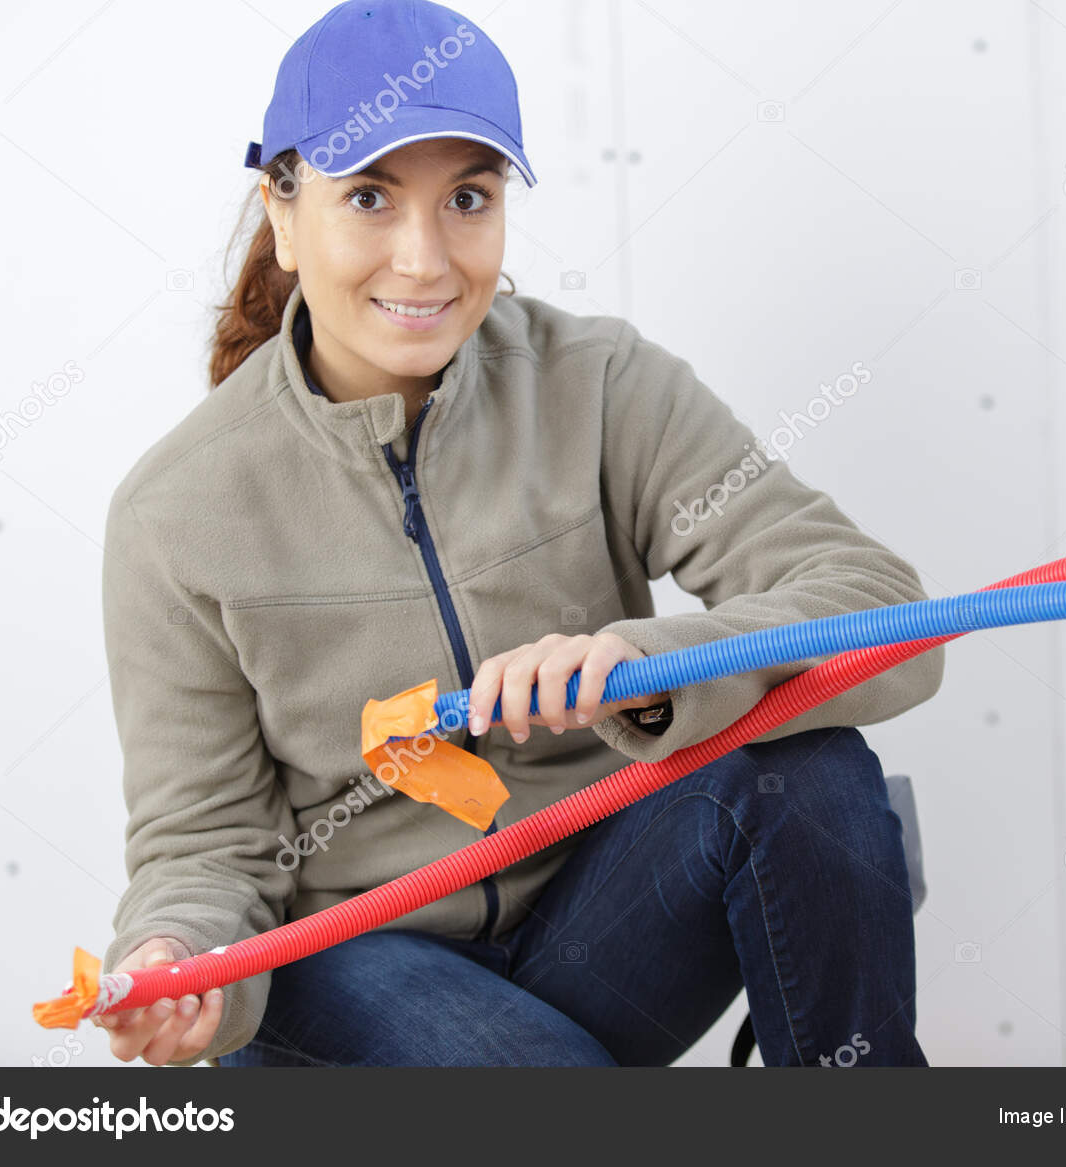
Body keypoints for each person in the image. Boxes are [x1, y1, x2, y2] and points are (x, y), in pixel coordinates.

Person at [94, 0, 944, 1068]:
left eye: (467, 198)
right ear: (281, 204)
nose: (425, 261)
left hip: (599, 930)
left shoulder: (601, 387)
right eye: (368, 197)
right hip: (356, 965)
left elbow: (884, 615)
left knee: (807, 773)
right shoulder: (176, 511)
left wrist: (643, 667)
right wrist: (179, 956)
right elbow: (203, 842)